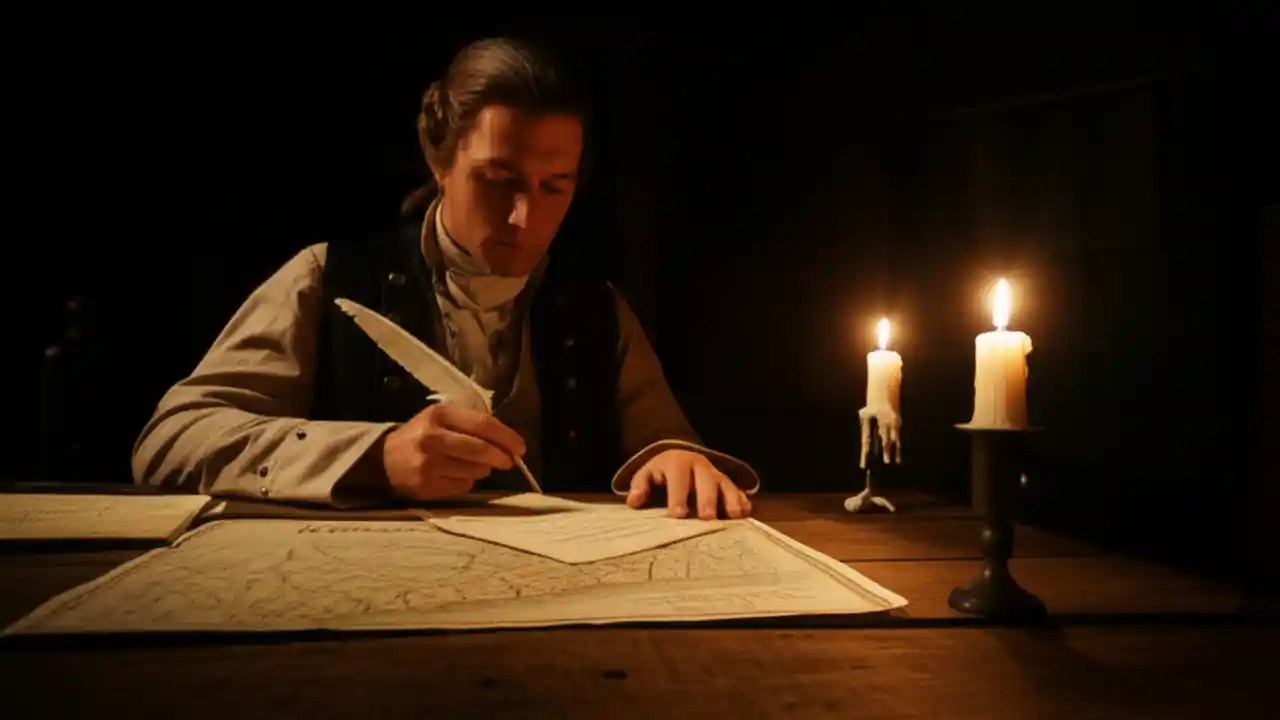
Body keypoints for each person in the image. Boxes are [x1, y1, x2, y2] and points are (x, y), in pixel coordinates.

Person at [131, 36, 759, 519]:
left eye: (553, 187)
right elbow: (171, 441)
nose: (524, 217)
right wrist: (375, 459)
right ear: (439, 157)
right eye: (500, 181)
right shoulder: (328, 277)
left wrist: (677, 460)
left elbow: (665, 447)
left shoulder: (593, 306)